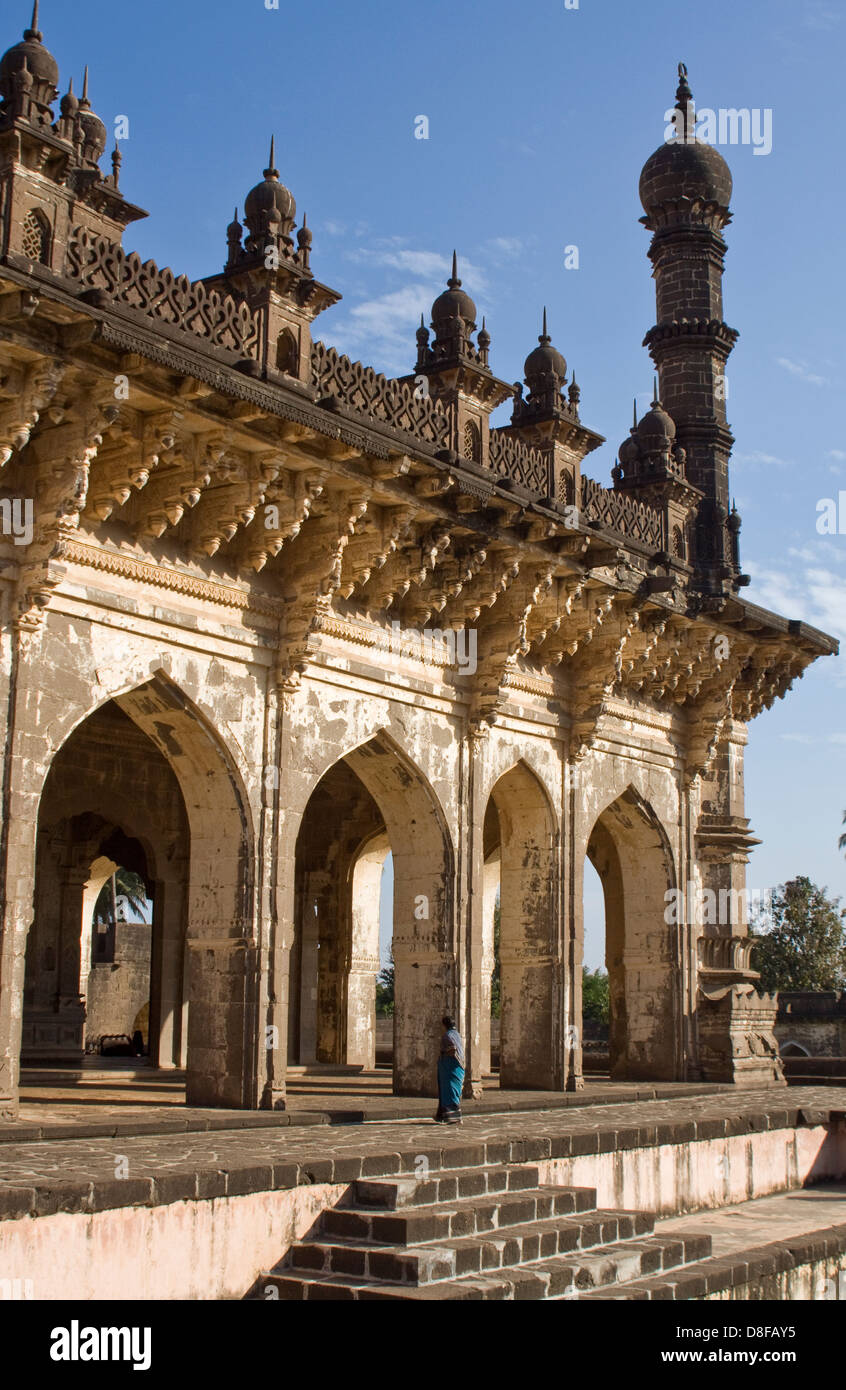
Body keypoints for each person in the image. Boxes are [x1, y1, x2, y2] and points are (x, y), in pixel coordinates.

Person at [435, 1015, 465, 1124]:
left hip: (450, 1067)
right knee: (453, 1092)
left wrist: (444, 1054)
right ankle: (450, 1116)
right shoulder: (457, 1034)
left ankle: (451, 1117)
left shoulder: (447, 1036)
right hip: (456, 1067)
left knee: (450, 1091)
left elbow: (453, 1049)